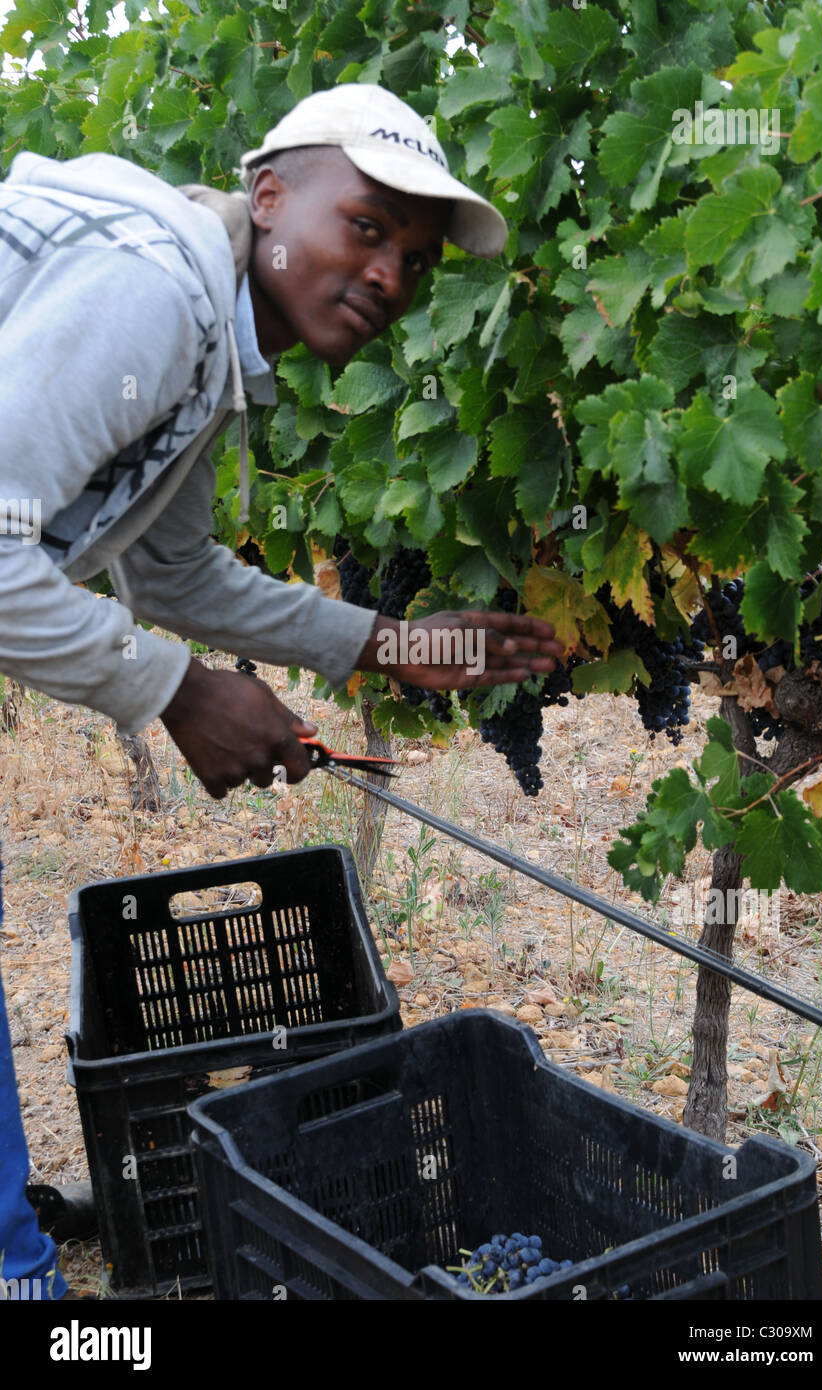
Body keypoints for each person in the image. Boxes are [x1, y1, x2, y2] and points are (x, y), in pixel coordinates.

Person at [0, 84, 563, 1299]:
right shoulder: (157, 291)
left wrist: (383, 643)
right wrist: (174, 691)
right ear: (267, 196)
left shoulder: (208, 339)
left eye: (412, 257)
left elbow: (173, 569)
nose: (389, 275)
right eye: (365, 226)